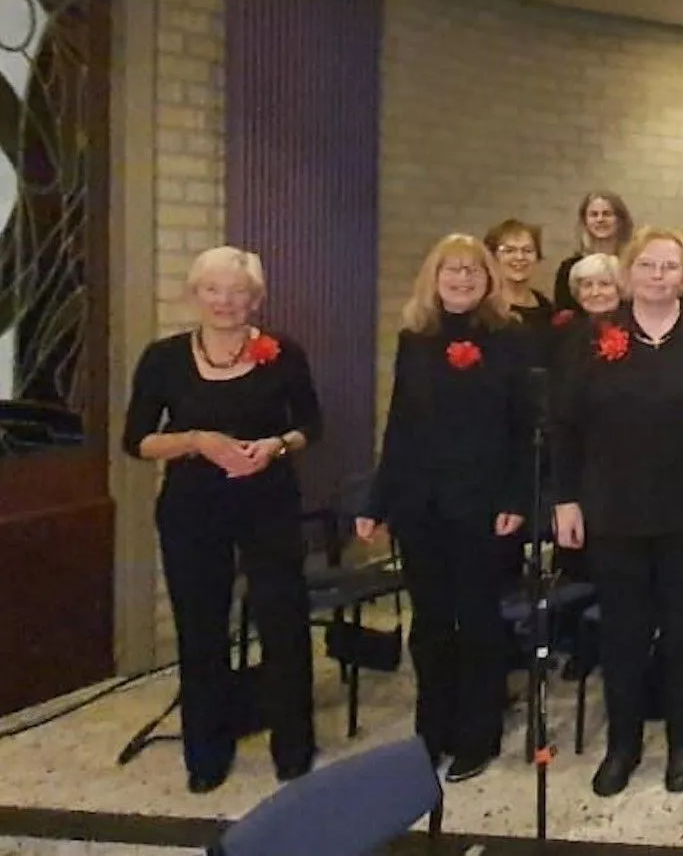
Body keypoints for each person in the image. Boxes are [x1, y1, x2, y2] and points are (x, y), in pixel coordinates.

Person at [549, 227, 683, 796]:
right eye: (648, 266)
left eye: (670, 267)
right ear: (628, 273)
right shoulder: (593, 339)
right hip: (614, 509)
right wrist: (566, 498)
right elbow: (565, 427)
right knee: (623, 632)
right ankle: (624, 745)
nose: (659, 276)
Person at [124, 247, 323, 793]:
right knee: (201, 629)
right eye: (213, 289)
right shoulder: (163, 358)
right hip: (192, 508)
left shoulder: (282, 354)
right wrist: (197, 441)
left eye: (238, 292)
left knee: (283, 623)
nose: (226, 301)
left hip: (269, 503)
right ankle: (207, 751)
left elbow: (310, 424)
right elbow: (136, 441)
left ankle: (294, 746)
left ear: (255, 299)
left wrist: (277, 446)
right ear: (195, 295)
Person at [358, 234, 539, 782]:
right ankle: (431, 729)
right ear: (433, 278)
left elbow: (523, 427)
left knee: (478, 621)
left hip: (482, 503)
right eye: (450, 271)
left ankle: (477, 734)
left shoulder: (509, 339)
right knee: (430, 622)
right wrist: (378, 500)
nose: (461, 279)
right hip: (420, 502)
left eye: (472, 271)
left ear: (487, 279)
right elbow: (400, 425)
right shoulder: (415, 339)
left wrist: (514, 497)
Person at [551, 191, 632, 309]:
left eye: (607, 214)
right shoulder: (568, 268)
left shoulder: (632, 266)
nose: (600, 219)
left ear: (620, 220)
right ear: (585, 222)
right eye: (594, 214)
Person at [485, 218, 556, 331]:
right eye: (509, 251)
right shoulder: (483, 309)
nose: (519, 257)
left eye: (527, 250)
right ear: (493, 256)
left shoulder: (546, 308)